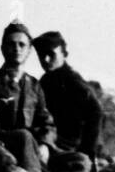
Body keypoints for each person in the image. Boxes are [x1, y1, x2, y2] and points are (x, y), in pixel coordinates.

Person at [0, 21, 82, 172]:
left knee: (77, 160)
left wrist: (45, 144)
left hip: (29, 150)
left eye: (22, 44)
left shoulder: (33, 86)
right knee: (23, 136)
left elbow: (46, 122)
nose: (17, 49)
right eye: (11, 44)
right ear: (2, 48)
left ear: (30, 50)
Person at [31, 30, 104, 161]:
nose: (45, 60)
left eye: (51, 54)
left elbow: (96, 112)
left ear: (64, 54)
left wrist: (88, 152)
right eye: (41, 55)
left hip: (69, 146)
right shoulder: (45, 81)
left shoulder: (73, 82)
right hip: (49, 139)